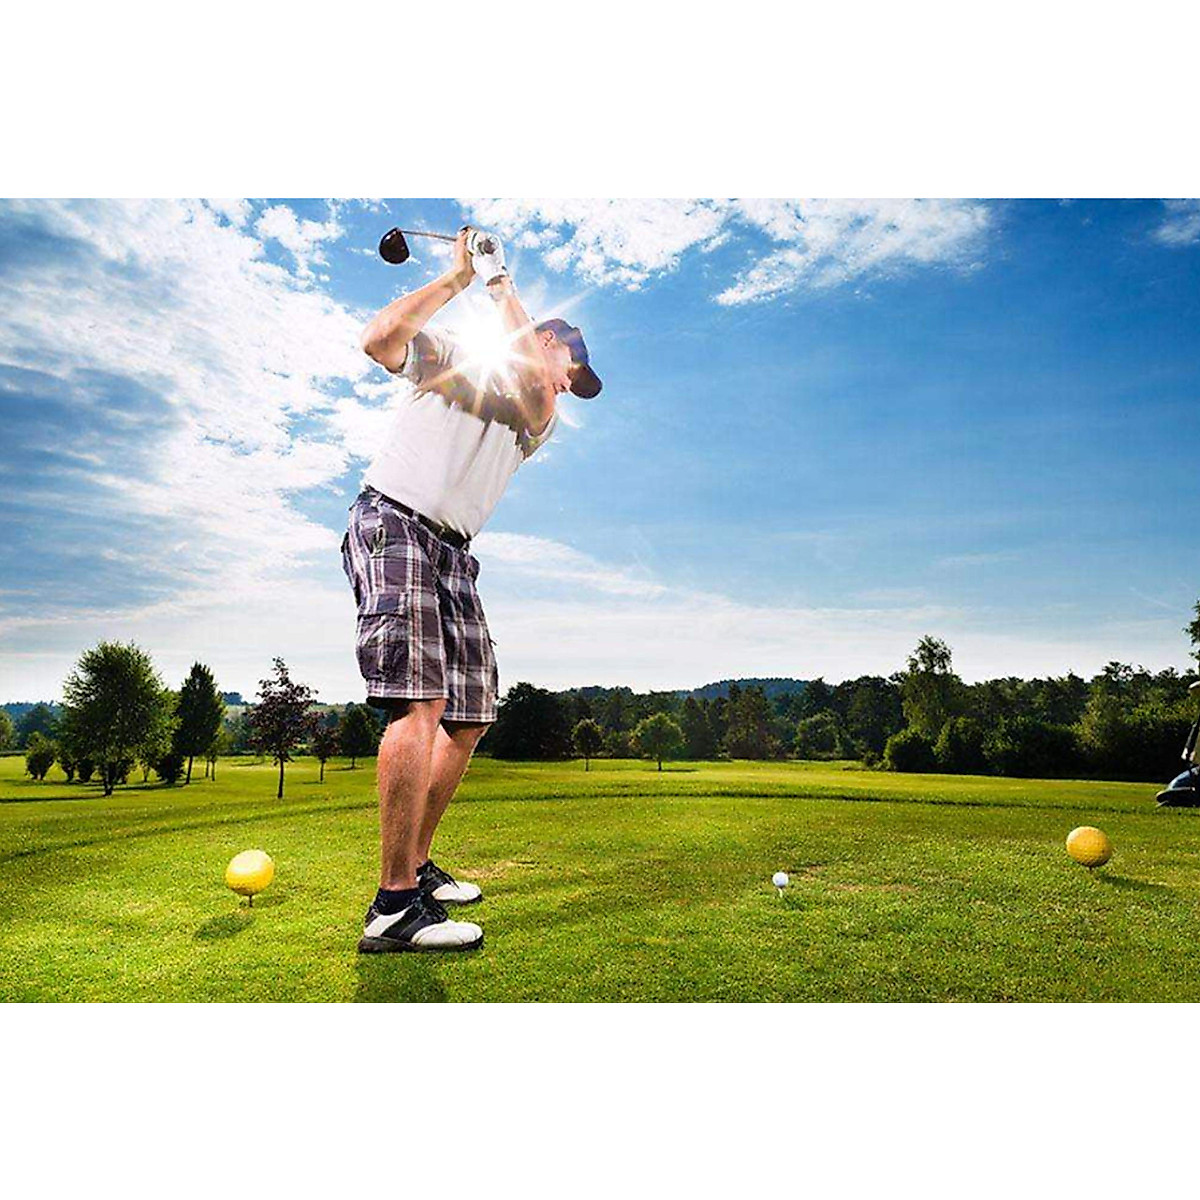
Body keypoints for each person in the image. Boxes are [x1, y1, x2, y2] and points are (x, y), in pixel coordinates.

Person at [342, 226, 602, 952]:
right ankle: (393, 907)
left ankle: (416, 866)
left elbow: (532, 385)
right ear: (544, 341)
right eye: (571, 366)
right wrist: (461, 278)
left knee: (470, 712)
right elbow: (379, 341)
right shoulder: (454, 357)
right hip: (394, 520)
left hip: (454, 553)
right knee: (419, 700)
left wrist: (498, 282)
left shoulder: (539, 415)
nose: (568, 384)